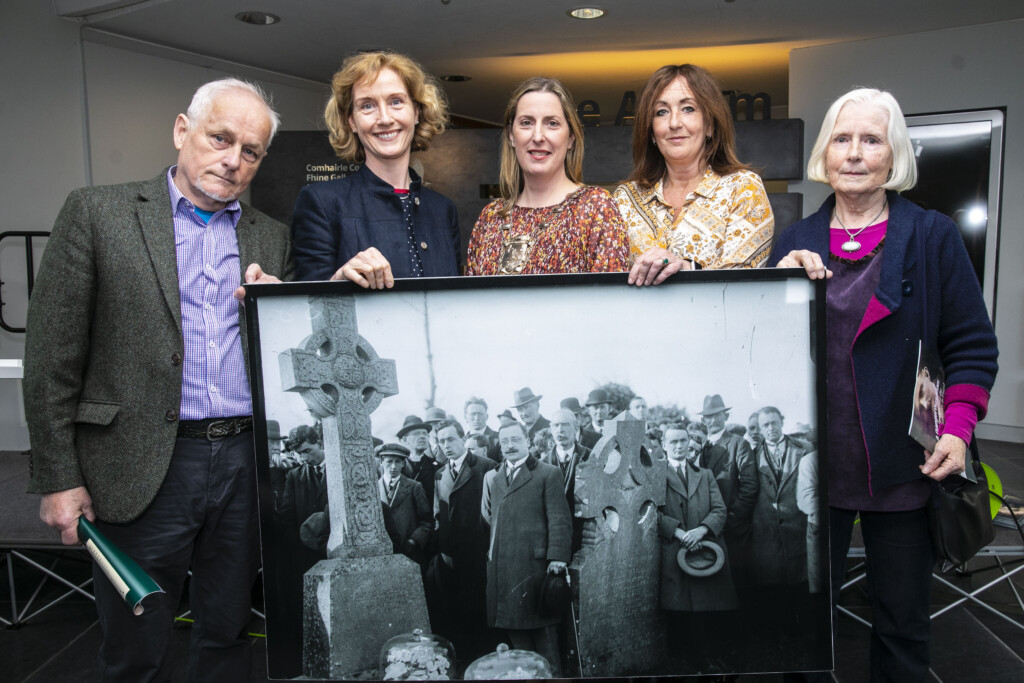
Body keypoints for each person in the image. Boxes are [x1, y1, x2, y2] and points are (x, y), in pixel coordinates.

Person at [23, 78, 291, 681]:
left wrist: (275, 311)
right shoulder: (98, 213)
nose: (233, 159)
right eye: (220, 138)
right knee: (135, 645)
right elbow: (50, 358)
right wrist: (58, 478)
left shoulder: (270, 235)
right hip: (140, 462)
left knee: (228, 632)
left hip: (243, 463)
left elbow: (281, 354)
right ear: (181, 130)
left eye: (251, 151)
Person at [771, 87, 998, 681]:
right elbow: (765, 355)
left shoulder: (932, 236)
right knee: (801, 629)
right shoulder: (793, 242)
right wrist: (776, 291)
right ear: (824, 152)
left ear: (893, 154)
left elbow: (972, 347)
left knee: (901, 628)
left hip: (905, 467)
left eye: (871, 140)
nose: (854, 153)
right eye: (842, 139)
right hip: (815, 467)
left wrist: (958, 430)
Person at [291, 51, 459, 287]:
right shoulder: (321, 203)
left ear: (416, 112)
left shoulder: (443, 210)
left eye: (396, 102)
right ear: (352, 121)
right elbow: (308, 303)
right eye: (367, 106)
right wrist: (339, 280)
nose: (385, 118)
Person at [613, 64, 774, 286]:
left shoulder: (743, 188)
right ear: (651, 132)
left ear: (710, 125)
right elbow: (607, 280)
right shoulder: (625, 199)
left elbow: (744, 282)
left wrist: (687, 268)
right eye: (661, 112)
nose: (674, 123)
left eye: (688, 109)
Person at [466, 76, 628, 275]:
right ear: (511, 136)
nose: (538, 137)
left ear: (571, 138)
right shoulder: (490, 218)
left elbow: (609, 293)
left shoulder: (596, 208)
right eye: (526, 123)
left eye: (552, 123)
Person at [481, 421, 572, 675]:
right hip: (504, 571)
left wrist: (557, 557)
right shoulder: (494, 477)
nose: (510, 446)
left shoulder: (548, 473)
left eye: (515, 440)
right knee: (519, 645)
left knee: (545, 643)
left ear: (527, 442)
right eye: (505, 441)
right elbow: (489, 519)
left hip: (535, 570)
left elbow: (559, 518)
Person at [657, 424, 736, 673]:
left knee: (707, 604)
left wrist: (701, 530)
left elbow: (719, 509)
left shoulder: (705, 474)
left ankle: (710, 655)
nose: (679, 446)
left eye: (683, 440)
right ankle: (687, 657)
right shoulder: (655, 474)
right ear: (663, 445)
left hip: (705, 545)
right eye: (673, 442)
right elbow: (651, 512)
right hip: (675, 547)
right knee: (681, 606)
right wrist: (680, 533)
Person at [431, 418, 498, 660]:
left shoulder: (486, 467)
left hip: (479, 554)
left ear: (462, 438)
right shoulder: (440, 474)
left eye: (451, 439)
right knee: (456, 615)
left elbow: (496, 513)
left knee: (480, 614)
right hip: (451, 558)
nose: (446, 445)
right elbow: (438, 516)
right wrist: (443, 550)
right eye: (441, 441)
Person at [376, 443, 433, 563]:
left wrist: (413, 541)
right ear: (381, 462)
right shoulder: (373, 489)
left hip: (409, 552)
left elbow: (427, 521)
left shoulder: (414, 487)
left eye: (397, 462)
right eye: (389, 461)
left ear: (403, 463)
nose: (393, 466)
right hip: (382, 554)